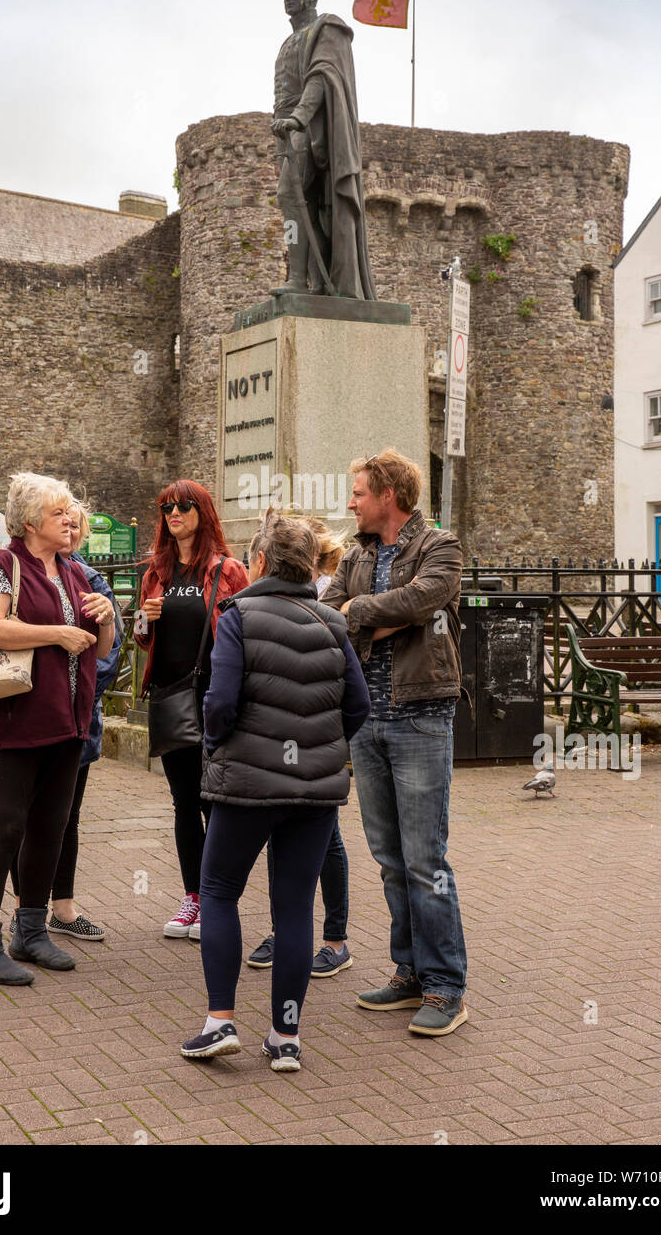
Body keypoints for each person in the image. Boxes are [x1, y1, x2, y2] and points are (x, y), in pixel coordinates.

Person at [180, 512, 370, 1071]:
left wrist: (219, 745)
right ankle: (286, 1037)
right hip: (314, 792)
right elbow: (356, 706)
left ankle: (219, 1023)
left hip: (244, 784)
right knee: (293, 909)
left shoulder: (239, 615)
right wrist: (320, 749)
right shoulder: (333, 624)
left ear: (259, 562)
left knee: (217, 892)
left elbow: (219, 703)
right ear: (309, 564)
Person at [322, 449, 469, 1037]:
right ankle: (408, 971)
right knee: (387, 858)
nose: (351, 502)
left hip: (421, 714)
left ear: (388, 494)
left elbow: (421, 600)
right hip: (366, 721)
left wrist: (362, 610)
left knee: (424, 857)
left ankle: (446, 986)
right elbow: (327, 613)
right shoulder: (356, 554)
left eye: (358, 492)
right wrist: (368, 613)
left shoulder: (439, 546)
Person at [0, 473, 116, 986]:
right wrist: (57, 632)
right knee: (5, 823)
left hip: (68, 723)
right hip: (12, 723)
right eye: (59, 513)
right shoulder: (1, 566)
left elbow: (98, 649)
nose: (71, 520)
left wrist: (107, 618)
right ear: (29, 523)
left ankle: (30, 930)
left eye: (72, 512)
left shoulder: (73, 572)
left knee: (51, 826)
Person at [133, 480, 248, 941]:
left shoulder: (228, 570)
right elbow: (142, 637)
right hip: (170, 697)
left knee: (213, 802)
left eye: (182, 506)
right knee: (184, 802)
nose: (173, 514)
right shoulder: (156, 572)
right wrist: (145, 618)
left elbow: (244, 634)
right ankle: (193, 898)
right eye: (165, 508)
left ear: (202, 510)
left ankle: (218, 899)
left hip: (212, 700)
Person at [8, 501, 122, 942]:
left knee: (64, 816)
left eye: (77, 524)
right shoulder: (15, 572)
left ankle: (63, 908)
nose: (71, 529)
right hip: (29, 714)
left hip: (78, 720)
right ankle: (24, 911)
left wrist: (82, 669)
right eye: (63, 521)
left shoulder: (87, 579)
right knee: (22, 816)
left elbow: (108, 654)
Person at [247, 516, 354, 977]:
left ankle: (335, 939)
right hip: (282, 742)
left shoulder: (326, 595)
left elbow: (357, 697)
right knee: (281, 838)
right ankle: (286, 928)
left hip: (313, 741)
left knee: (327, 842)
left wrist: (333, 738)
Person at [270, 0, 376, 299]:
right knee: (308, 206)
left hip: (313, 128)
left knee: (291, 195)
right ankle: (317, 282)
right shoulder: (289, 41)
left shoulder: (326, 28)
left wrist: (299, 118)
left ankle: (297, 280)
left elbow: (322, 75)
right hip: (288, 131)